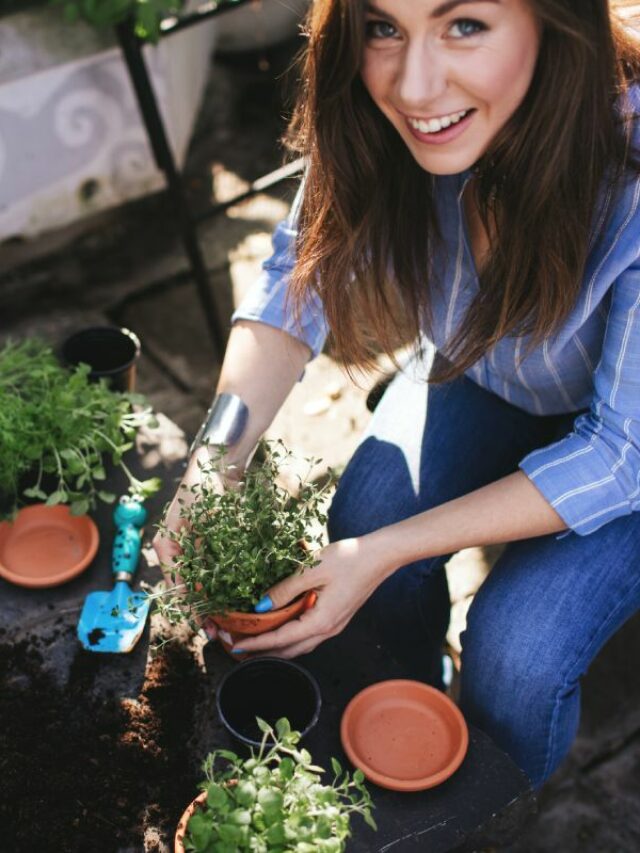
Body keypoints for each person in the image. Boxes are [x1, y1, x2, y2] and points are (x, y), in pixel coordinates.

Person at [154, 0, 640, 789]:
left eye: (465, 25)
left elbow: (620, 453)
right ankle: (406, 723)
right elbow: (295, 278)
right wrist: (216, 460)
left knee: (518, 653)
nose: (414, 86)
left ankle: (490, 816)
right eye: (384, 26)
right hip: (482, 373)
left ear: (560, 21)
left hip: (630, 445)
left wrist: (379, 556)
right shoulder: (374, 111)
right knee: (365, 516)